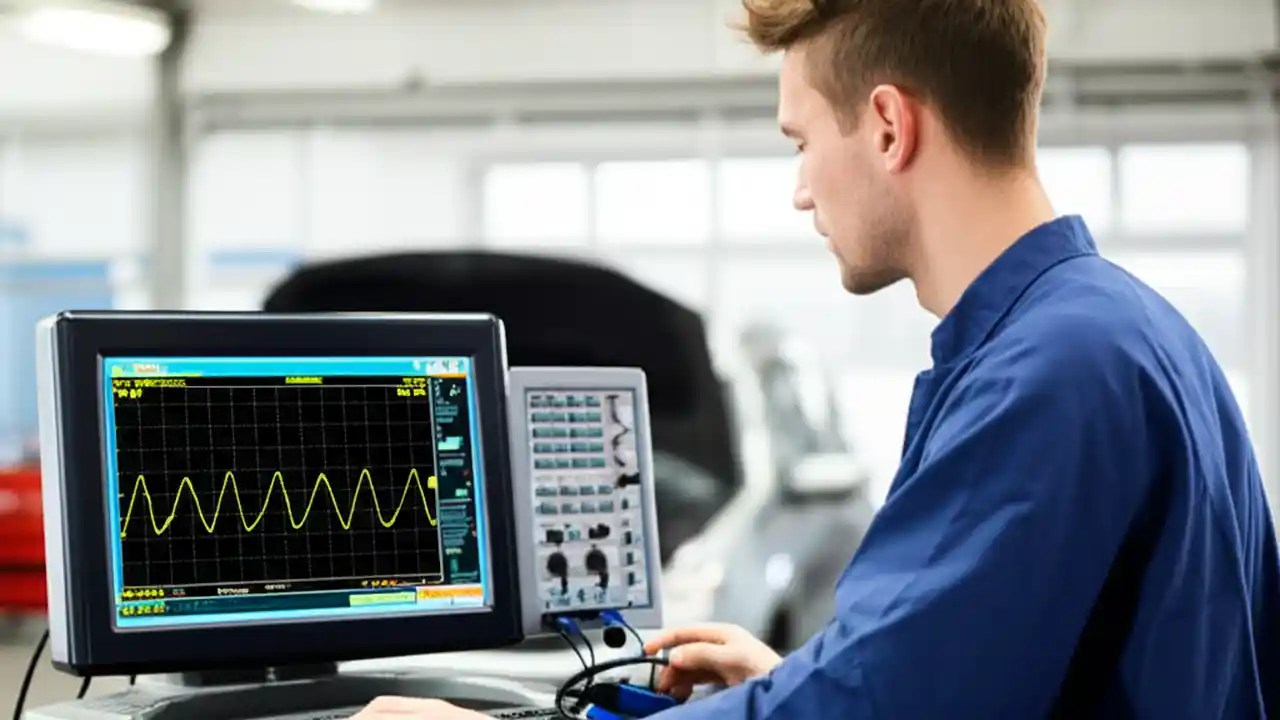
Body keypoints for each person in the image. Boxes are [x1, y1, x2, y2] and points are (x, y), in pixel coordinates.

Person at [353, 0, 1280, 716]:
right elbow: (972, 678)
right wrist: (801, 682)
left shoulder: (1049, 371)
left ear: (887, 126)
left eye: (800, 142)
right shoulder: (1126, 330)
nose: (800, 191)